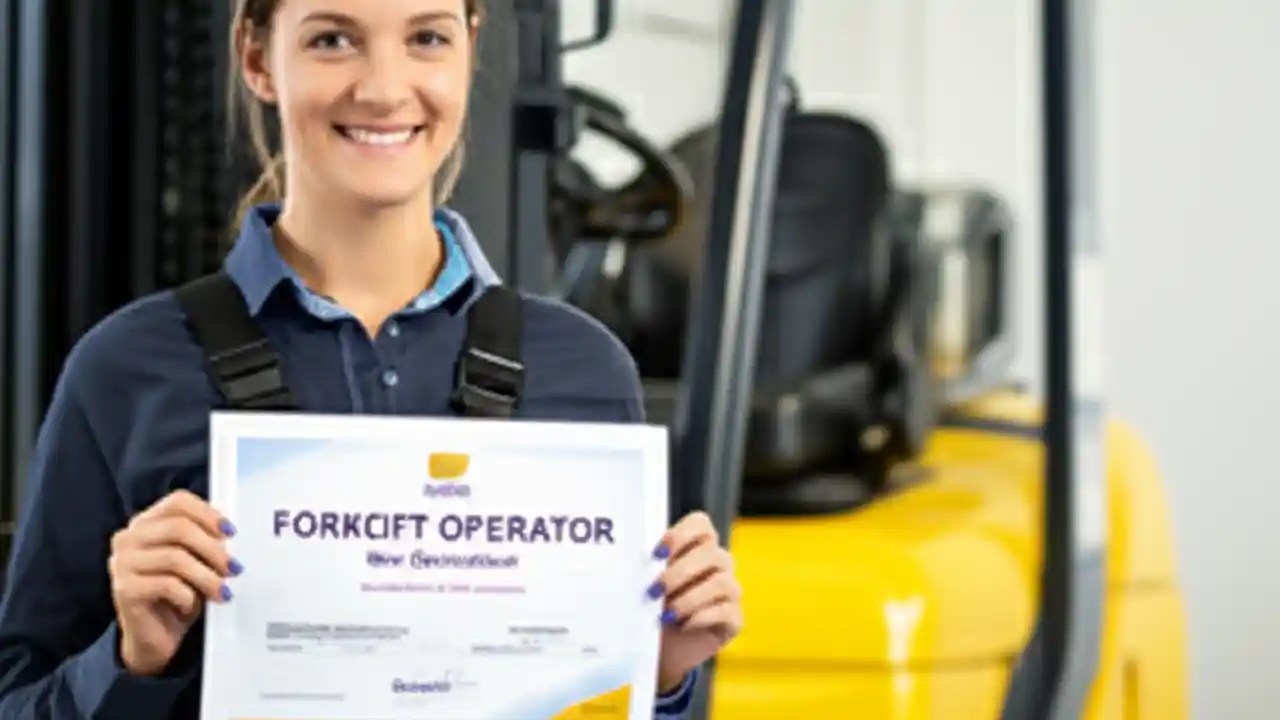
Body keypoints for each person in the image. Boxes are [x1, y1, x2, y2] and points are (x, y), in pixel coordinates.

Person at [0, 0, 743, 717]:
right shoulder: (128, 370)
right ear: (257, 57)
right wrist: (129, 662)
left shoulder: (584, 371)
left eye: (426, 38)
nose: (384, 89)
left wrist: (661, 670)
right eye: (332, 40)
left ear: (469, 52)